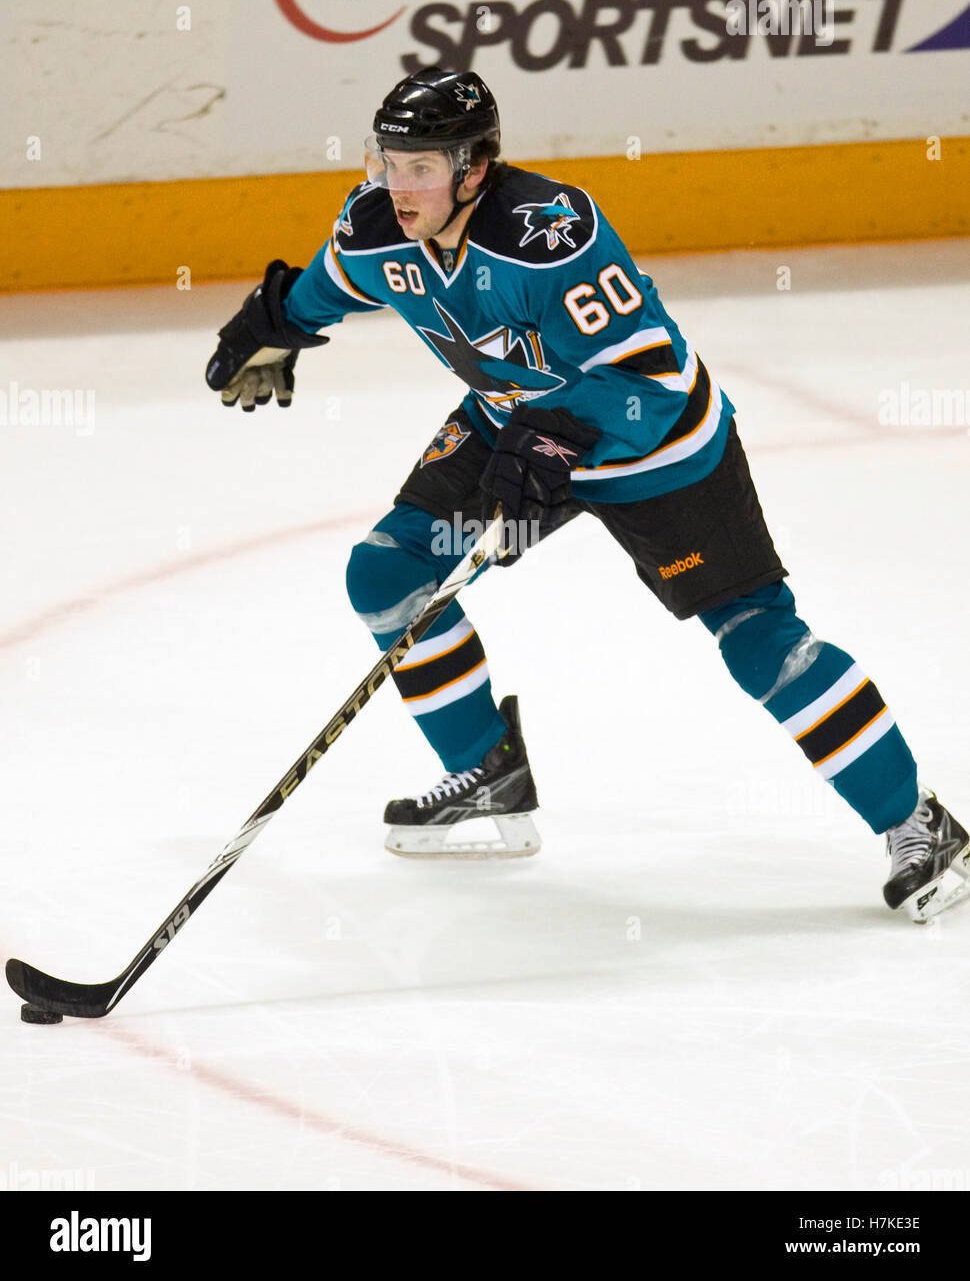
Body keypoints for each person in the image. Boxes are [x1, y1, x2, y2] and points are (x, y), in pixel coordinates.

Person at [206, 67, 968, 920]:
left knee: (757, 639)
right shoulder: (377, 223)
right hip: (513, 424)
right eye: (388, 160)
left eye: (421, 166)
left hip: (658, 449)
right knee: (387, 572)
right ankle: (489, 772)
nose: (399, 183)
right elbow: (328, 287)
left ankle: (919, 823)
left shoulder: (549, 234)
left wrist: (559, 440)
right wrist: (275, 325)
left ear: (475, 166)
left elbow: (649, 378)